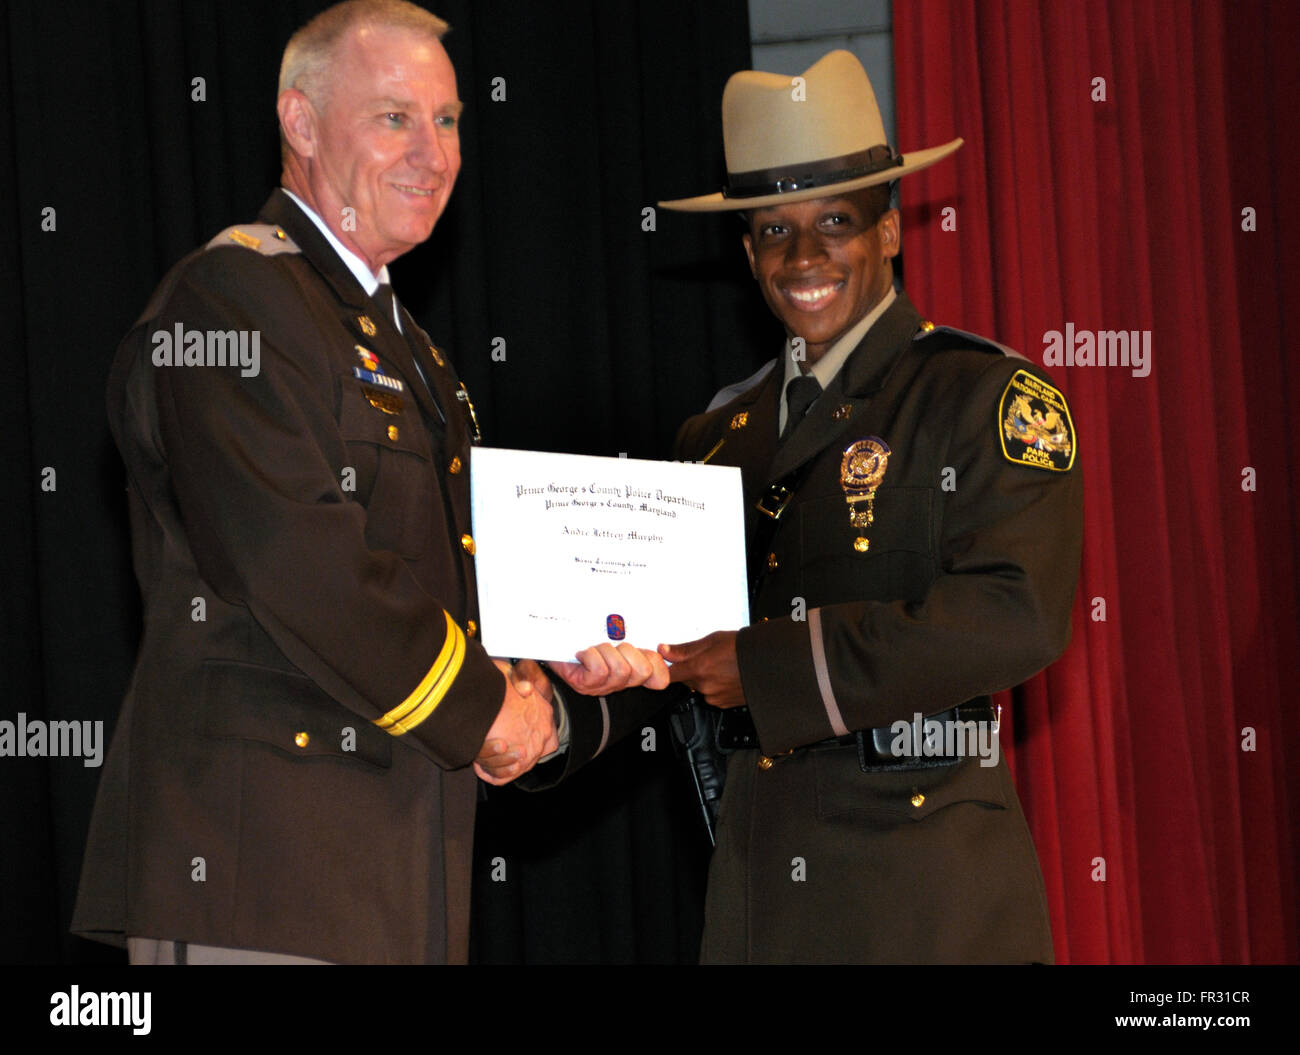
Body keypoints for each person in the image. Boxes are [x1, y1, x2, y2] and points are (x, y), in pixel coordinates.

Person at [72, 0, 663, 965]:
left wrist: (566, 665)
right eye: (395, 117)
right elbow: (296, 558)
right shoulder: (228, 301)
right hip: (258, 879)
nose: (432, 151)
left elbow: (450, 586)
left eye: (448, 119)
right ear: (299, 124)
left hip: (397, 877)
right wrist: (486, 712)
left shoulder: (408, 349)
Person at [520, 50, 1082, 963]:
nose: (805, 255)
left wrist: (768, 668)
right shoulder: (713, 438)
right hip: (756, 904)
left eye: (835, 221)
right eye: (775, 230)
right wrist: (554, 720)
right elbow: (667, 655)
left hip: (928, 904)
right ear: (746, 254)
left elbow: (1012, 618)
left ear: (891, 231)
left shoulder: (980, 398)